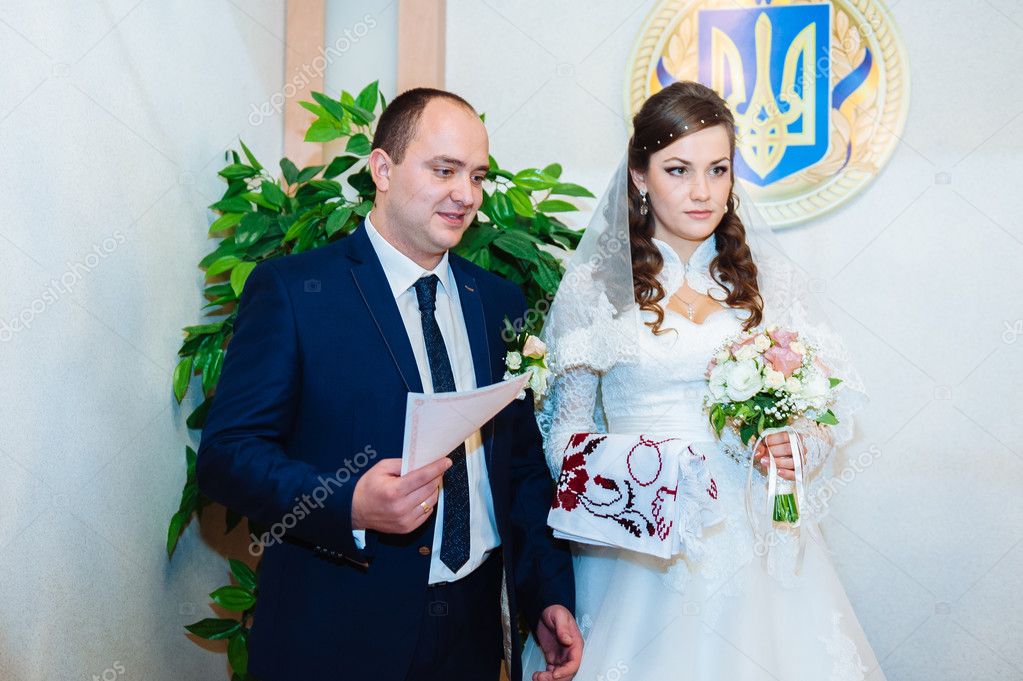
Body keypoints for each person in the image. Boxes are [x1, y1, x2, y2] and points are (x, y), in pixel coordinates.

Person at [197, 87, 581, 681]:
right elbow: (227, 457)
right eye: (444, 170)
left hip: (474, 633)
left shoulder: (498, 300)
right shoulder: (295, 291)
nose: (466, 194)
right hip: (338, 631)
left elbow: (522, 469)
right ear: (382, 168)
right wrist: (347, 502)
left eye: (477, 176)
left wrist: (548, 594)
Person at [522, 81, 884, 680]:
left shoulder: (771, 283)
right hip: (639, 543)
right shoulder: (594, 289)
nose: (702, 191)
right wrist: (650, 473)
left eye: (718, 170)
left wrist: (792, 449)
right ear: (639, 176)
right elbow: (563, 437)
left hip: (757, 536)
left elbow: (819, 415)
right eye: (678, 169)